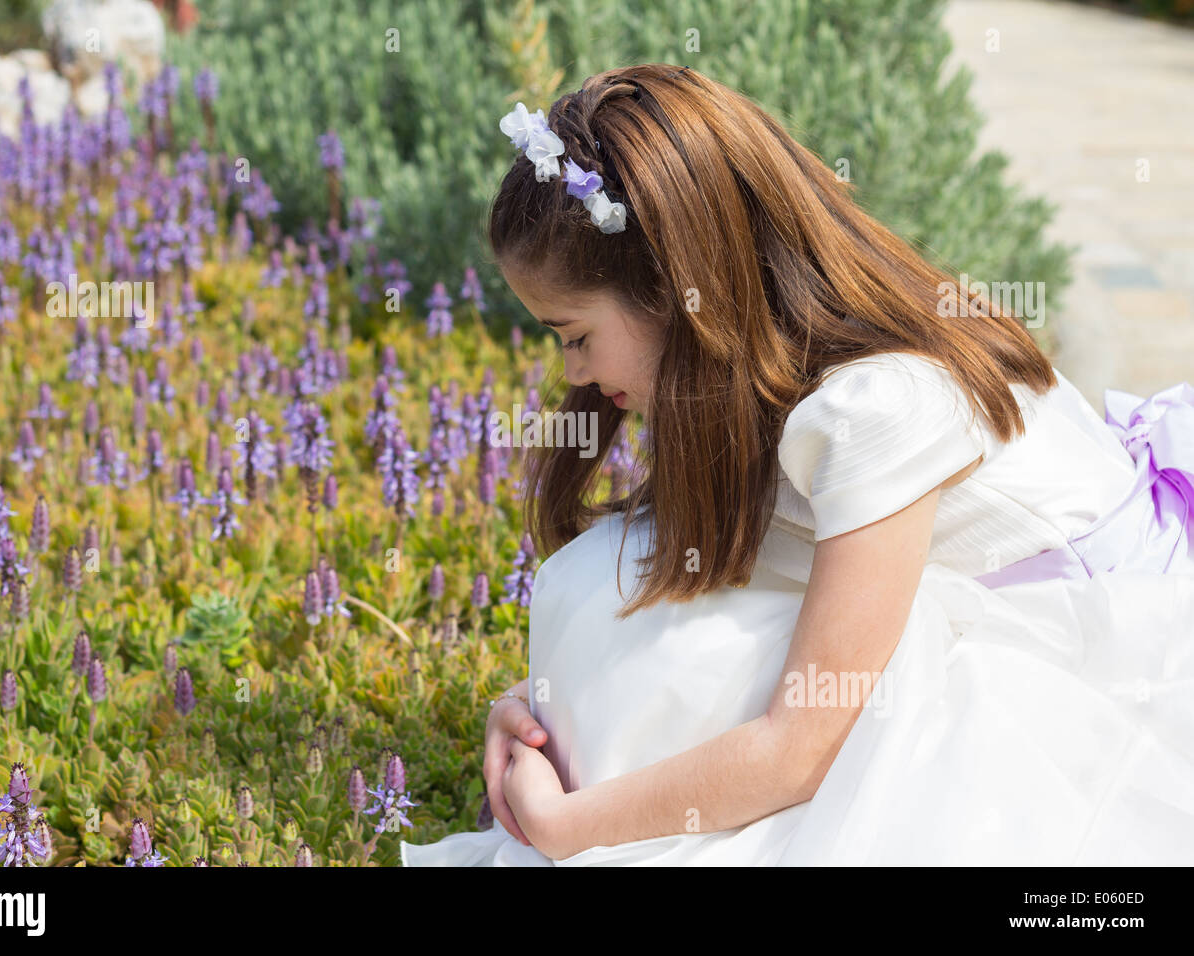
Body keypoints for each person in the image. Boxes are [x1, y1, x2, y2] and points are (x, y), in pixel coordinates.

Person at [401, 64, 1194, 866]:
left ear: (678, 295)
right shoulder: (756, 372)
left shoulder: (876, 410)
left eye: (574, 334)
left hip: (1103, 643)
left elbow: (800, 748)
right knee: (615, 582)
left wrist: (568, 827)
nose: (572, 373)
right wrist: (533, 708)